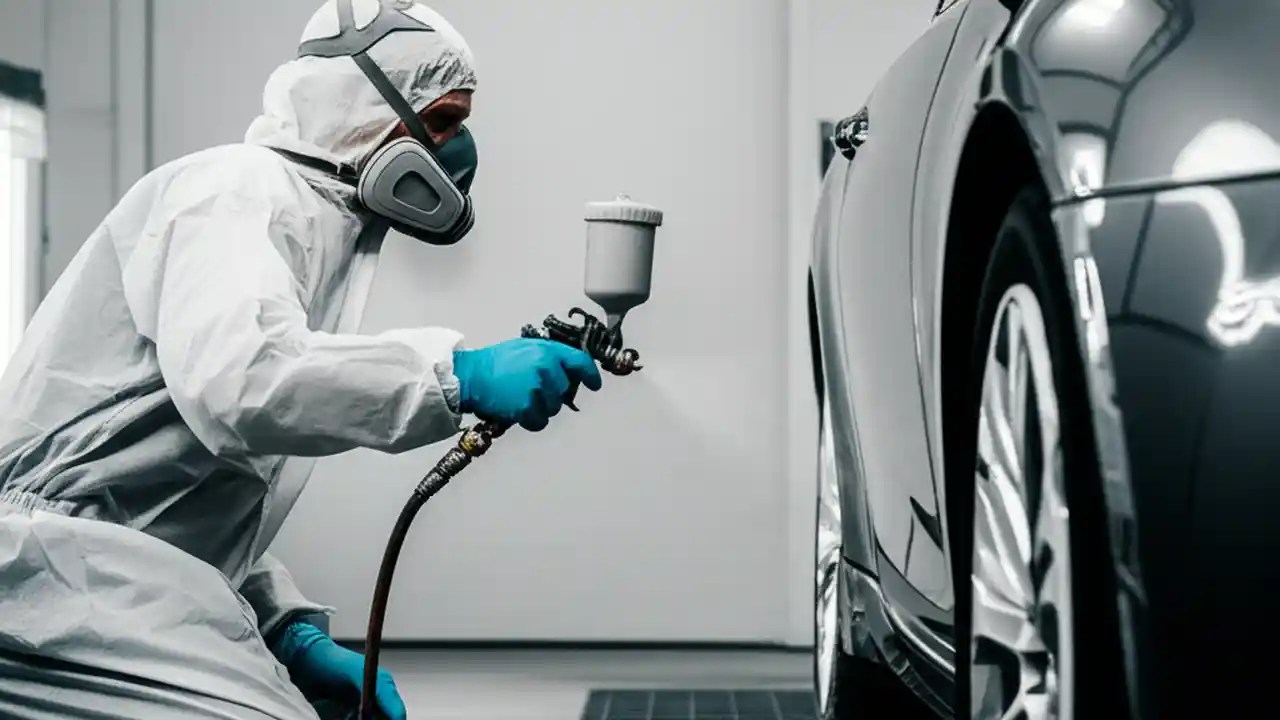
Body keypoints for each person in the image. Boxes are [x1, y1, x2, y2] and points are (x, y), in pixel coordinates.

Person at [0, 1, 600, 718]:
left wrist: (285, 627)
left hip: (112, 575)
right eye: (441, 120)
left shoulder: (315, 224)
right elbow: (245, 383)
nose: (457, 148)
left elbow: (198, 497)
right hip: (50, 572)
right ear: (363, 107)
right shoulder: (234, 190)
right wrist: (457, 374)